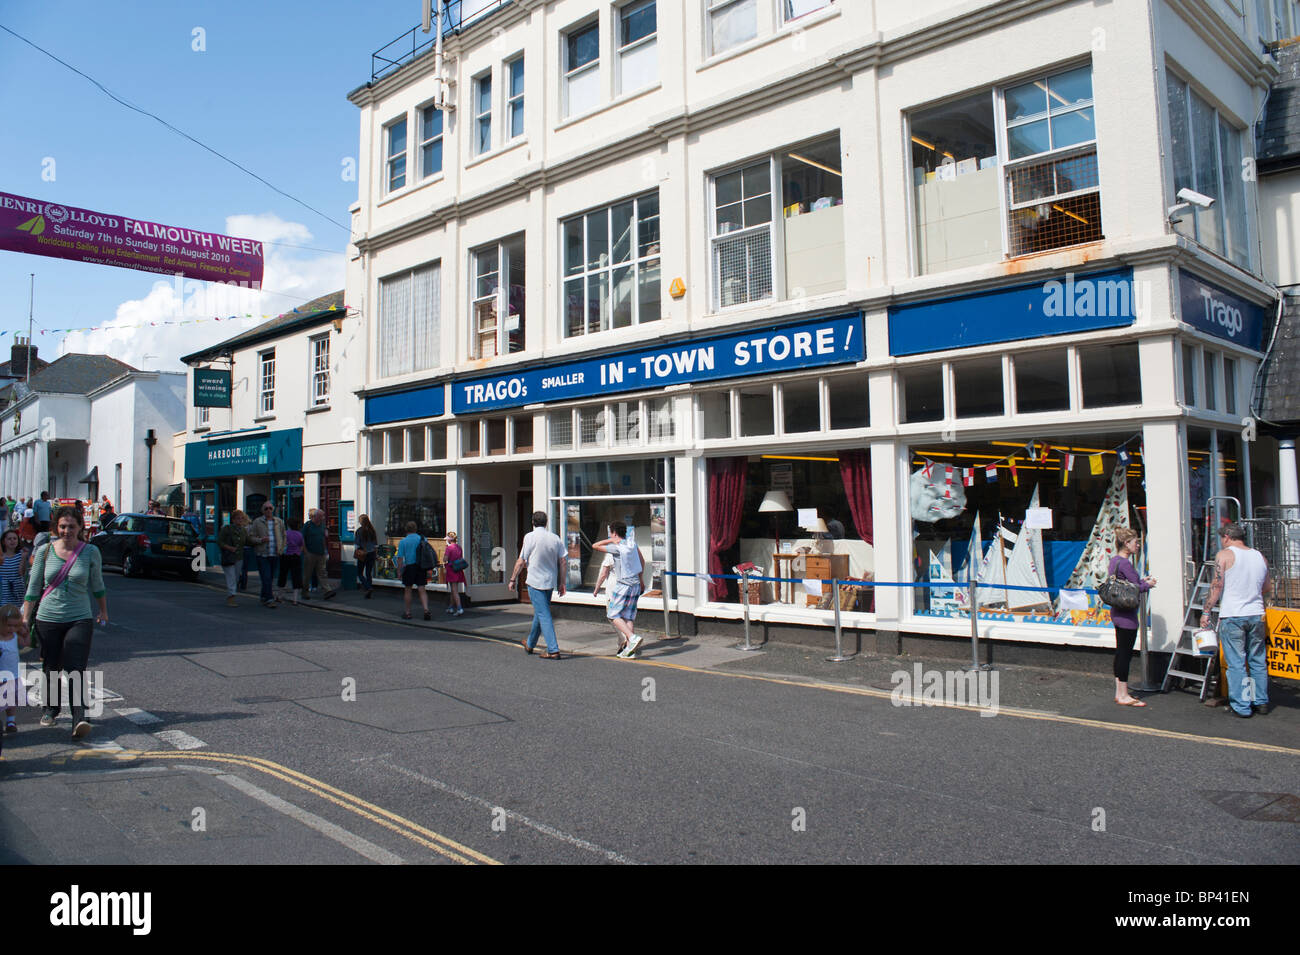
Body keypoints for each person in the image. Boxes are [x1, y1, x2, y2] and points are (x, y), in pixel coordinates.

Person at [23, 506, 108, 739]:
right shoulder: (44, 551)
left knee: (75, 667)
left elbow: (97, 584)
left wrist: (103, 610)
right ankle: (50, 709)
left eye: (71, 526)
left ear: (80, 527)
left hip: (79, 617)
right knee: (51, 666)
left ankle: (79, 718)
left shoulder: (90, 552)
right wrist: (24, 617)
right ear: (55, 527)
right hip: (47, 618)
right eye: (62, 526)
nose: (67, 530)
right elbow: (33, 587)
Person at [1201, 522, 1273, 718]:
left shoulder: (1224, 555)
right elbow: (1266, 587)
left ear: (1226, 537)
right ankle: (1261, 701)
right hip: (1256, 613)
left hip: (1233, 614)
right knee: (1257, 659)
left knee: (1236, 662)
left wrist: (1206, 611)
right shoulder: (1260, 556)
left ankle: (1241, 705)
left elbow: (1217, 586)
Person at [1107, 527, 1155, 707]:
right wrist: (1148, 584)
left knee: (1120, 652)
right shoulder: (1126, 563)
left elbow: (1128, 584)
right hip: (1127, 615)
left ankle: (1119, 692)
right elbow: (1136, 586)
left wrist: (1142, 582)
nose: (1137, 545)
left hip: (1117, 611)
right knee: (1125, 654)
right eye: (1135, 542)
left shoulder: (1114, 561)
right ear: (1126, 544)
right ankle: (1124, 695)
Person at [509, 511, 567, 659]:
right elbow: (563, 561)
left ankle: (553, 649)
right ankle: (530, 643)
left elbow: (522, 560)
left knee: (544, 614)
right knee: (541, 613)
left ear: (533, 522)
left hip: (535, 582)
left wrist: (512, 579)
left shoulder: (530, 537)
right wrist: (562, 583)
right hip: (550, 582)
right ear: (546, 522)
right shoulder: (555, 538)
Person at [593, 522, 645, 658]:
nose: (609, 535)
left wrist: (611, 540)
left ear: (614, 533)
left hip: (623, 584)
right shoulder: (632, 544)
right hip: (635, 584)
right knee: (628, 616)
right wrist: (642, 580)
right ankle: (629, 650)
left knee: (612, 614)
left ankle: (632, 637)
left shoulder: (616, 548)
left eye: (611, 533)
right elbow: (642, 561)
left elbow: (595, 546)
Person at [247, 503, 286, 609]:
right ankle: (270, 599)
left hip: (275, 554)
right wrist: (260, 540)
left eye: (270, 508)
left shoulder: (279, 521)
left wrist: (281, 548)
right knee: (266, 577)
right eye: (266, 508)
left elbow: (283, 536)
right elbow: (251, 537)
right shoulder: (257, 522)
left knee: (270, 577)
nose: (268, 510)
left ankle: (263, 596)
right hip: (262, 554)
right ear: (262, 510)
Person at [0, 604, 29, 735]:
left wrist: (25, 632)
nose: (12, 629)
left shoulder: (15, 637)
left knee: (11, 701)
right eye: (8, 626)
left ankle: (11, 720)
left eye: (15, 626)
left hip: (13, 675)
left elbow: (25, 644)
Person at [395, 521, 431, 620]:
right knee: (422, 589)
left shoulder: (403, 541)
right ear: (416, 529)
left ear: (406, 529)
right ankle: (426, 610)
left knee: (408, 590)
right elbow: (427, 555)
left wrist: (399, 571)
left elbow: (400, 558)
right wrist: (428, 569)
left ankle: (408, 613)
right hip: (421, 567)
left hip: (409, 567)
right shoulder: (423, 539)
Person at [300, 509, 337, 600]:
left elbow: (323, 538)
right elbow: (302, 539)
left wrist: (325, 551)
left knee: (322, 573)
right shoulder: (307, 526)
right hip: (310, 553)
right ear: (315, 517)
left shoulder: (322, 526)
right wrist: (305, 552)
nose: (323, 518)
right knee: (307, 574)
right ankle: (304, 592)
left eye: (323, 516)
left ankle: (327, 591)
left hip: (321, 553)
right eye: (321, 516)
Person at [218, 510, 249, 607]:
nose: (240, 520)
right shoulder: (227, 529)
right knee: (231, 577)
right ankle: (231, 598)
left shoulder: (243, 530)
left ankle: (231, 596)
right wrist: (229, 548)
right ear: (233, 519)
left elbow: (248, 541)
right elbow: (219, 541)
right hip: (229, 557)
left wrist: (260, 540)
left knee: (235, 578)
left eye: (241, 518)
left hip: (239, 558)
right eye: (237, 518)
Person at [278, 517, 306, 606]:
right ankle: (295, 599)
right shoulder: (299, 535)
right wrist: (298, 552)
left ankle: (280, 596)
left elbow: (282, 544)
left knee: (283, 575)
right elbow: (302, 546)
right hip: (296, 557)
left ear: (289, 525)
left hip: (285, 557)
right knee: (296, 577)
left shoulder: (285, 534)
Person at [354, 514, 378, 598]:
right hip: (372, 553)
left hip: (363, 554)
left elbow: (357, 544)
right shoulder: (372, 531)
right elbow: (375, 544)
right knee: (368, 573)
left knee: (359, 573)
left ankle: (368, 587)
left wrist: (357, 551)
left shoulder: (359, 531)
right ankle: (369, 590)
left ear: (361, 522)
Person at [0, 529, 25, 607]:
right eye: (9, 539)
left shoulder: (21, 554)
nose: (12, 541)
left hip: (17, 589)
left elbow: (21, 573)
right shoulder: (1, 557)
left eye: (15, 538)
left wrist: (23, 558)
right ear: (4, 542)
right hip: (3, 590)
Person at [444, 531, 465, 615]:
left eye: (447, 539)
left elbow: (445, 559)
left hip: (451, 570)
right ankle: (451, 607)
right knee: (453, 590)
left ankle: (459, 608)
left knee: (454, 590)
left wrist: (446, 554)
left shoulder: (449, 548)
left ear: (450, 539)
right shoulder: (459, 547)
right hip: (458, 569)